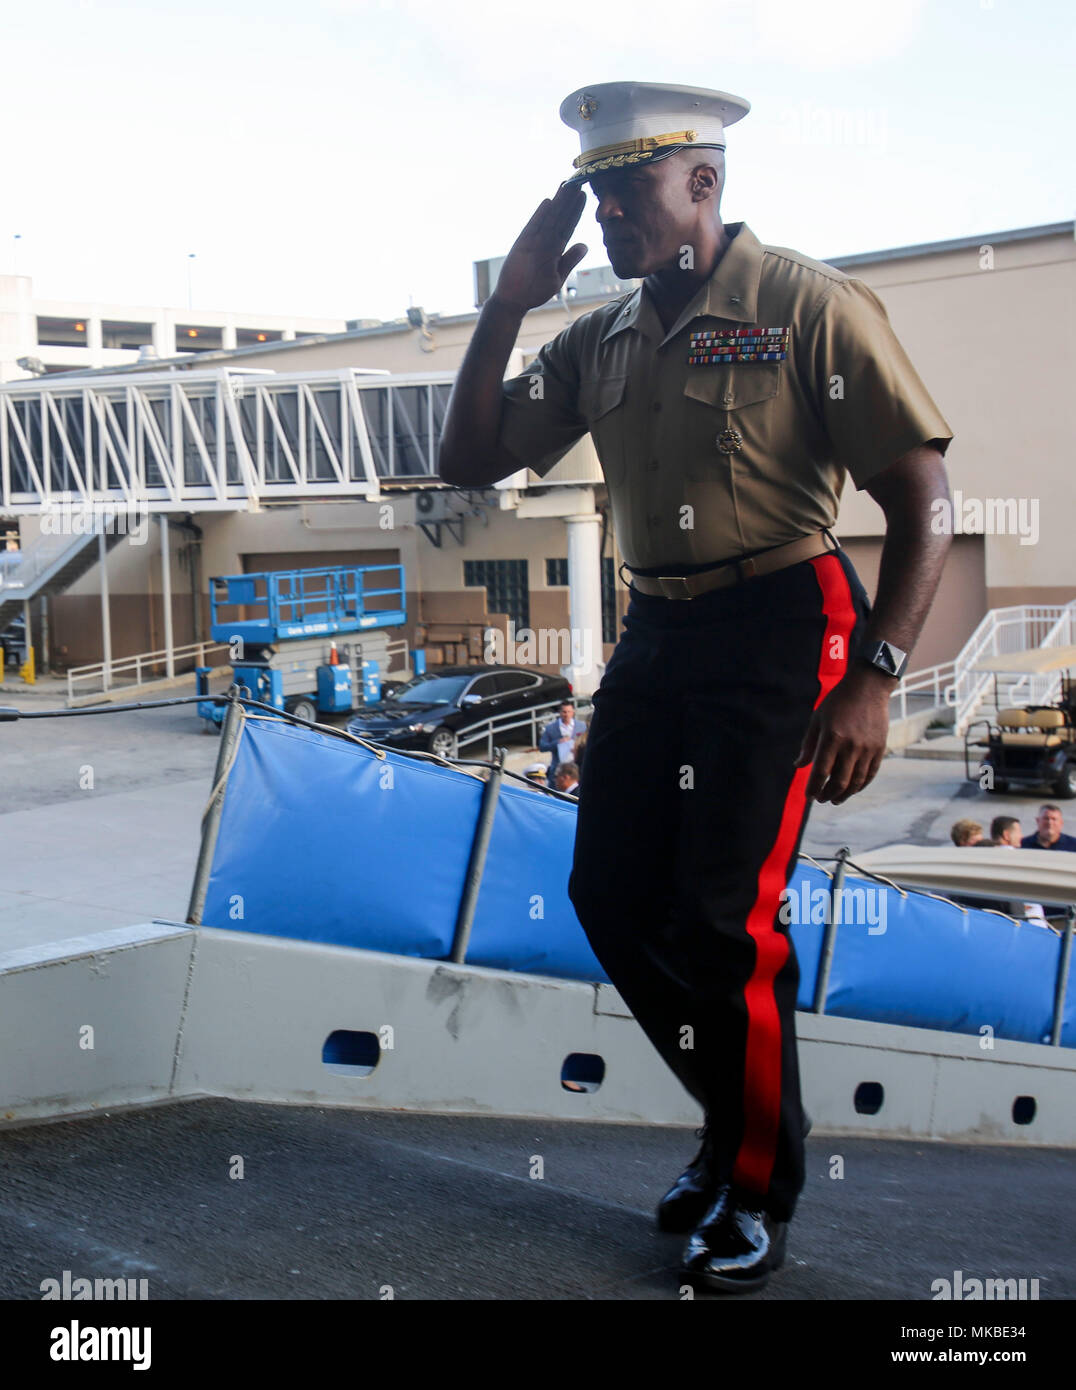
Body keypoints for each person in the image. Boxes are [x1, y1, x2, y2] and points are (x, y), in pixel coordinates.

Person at [438, 80, 953, 1295]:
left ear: (701, 185)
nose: (609, 216)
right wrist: (505, 307)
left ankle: (757, 1181)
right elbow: (467, 458)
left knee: (725, 918)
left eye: (627, 191)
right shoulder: (600, 338)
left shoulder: (803, 307)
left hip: (784, 623)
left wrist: (874, 675)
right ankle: (734, 1125)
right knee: (610, 896)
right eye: (596, 196)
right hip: (659, 631)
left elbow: (924, 499)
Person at [539, 701, 585, 780]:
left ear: (573, 712)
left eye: (569, 712)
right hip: (558, 769)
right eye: (564, 712)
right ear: (559, 712)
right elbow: (542, 747)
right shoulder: (551, 728)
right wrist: (557, 742)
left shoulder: (581, 726)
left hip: (576, 769)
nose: (567, 715)